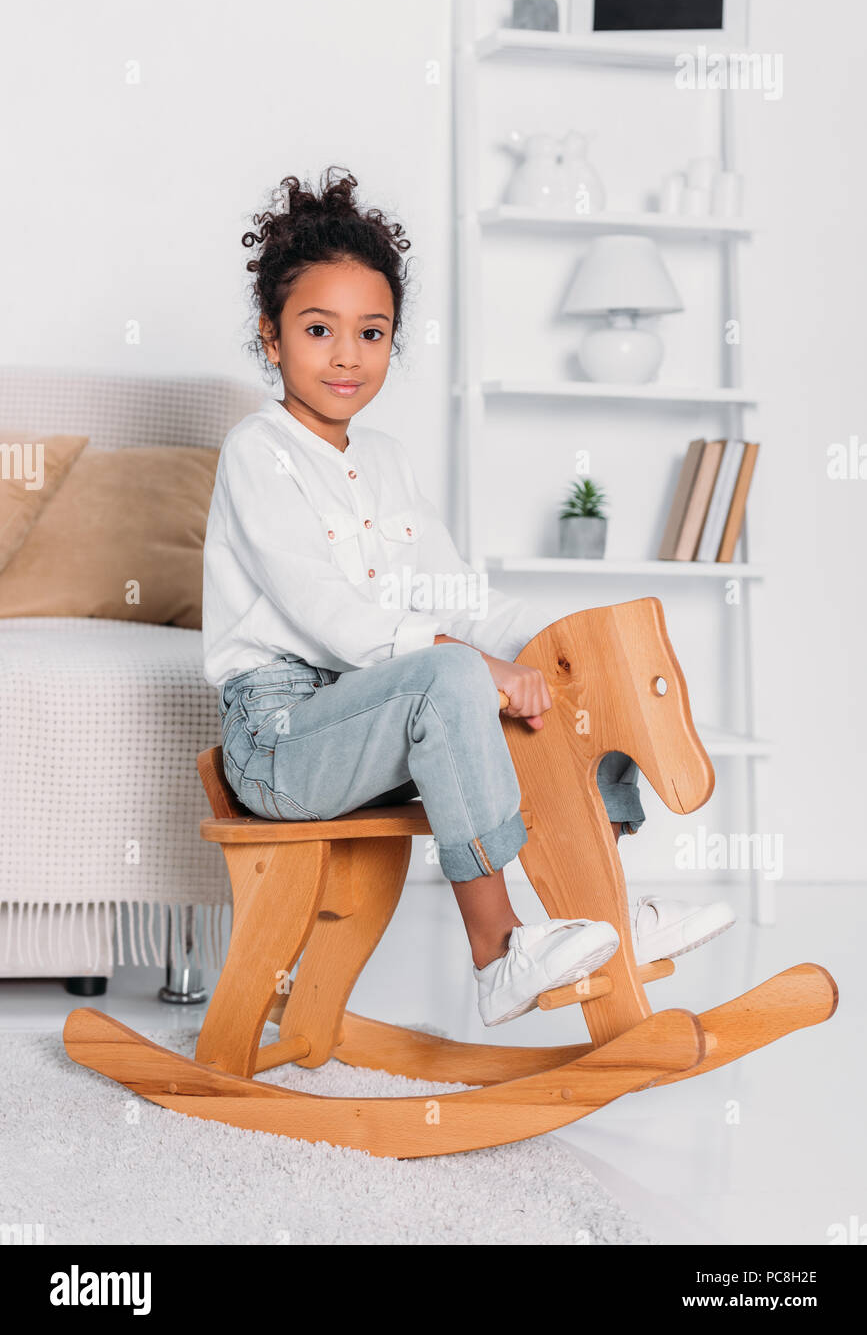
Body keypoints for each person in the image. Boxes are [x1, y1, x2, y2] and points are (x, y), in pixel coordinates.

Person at [202, 166, 734, 1028]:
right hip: (281, 738)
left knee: (556, 676)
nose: (346, 355)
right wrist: (477, 665)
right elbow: (334, 622)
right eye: (317, 330)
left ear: (393, 341)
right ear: (271, 339)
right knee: (453, 680)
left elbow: (452, 593)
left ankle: (605, 909)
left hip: (369, 721)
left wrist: (563, 648)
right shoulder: (256, 453)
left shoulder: (386, 462)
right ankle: (496, 955)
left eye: (371, 333)